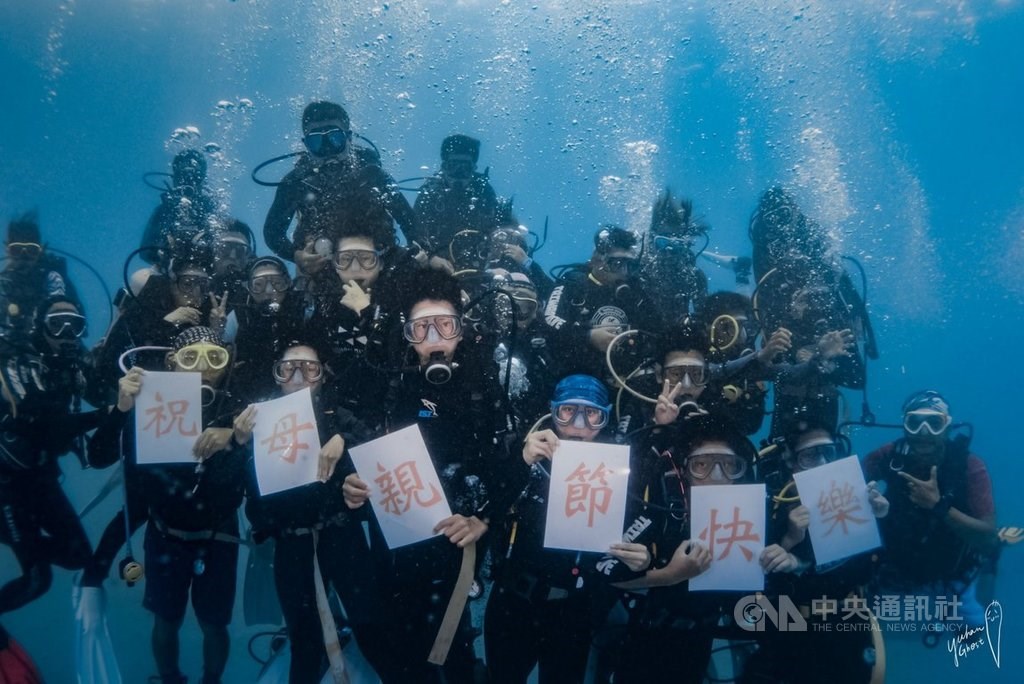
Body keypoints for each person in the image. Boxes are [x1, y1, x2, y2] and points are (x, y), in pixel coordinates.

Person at [342, 269, 518, 683]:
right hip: (397, 541)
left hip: (460, 541)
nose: (435, 336)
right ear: (407, 336)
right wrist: (349, 487)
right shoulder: (388, 384)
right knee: (400, 650)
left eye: (446, 325)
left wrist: (485, 518)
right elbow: (353, 443)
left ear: (461, 332)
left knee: (455, 648)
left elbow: (510, 466)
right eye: (421, 328)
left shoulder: (487, 385)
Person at [86, 327, 246, 684]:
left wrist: (236, 439)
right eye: (190, 358)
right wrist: (120, 408)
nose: (203, 368)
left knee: (213, 623)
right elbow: (98, 457)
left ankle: (211, 682)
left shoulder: (237, 410)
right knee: (166, 620)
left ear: (227, 364)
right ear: (171, 363)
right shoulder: (145, 407)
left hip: (219, 534)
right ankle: (171, 679)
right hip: (165, 533)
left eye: (214, 358)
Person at [484, 374, 653, 683]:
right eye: (567, 411)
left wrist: (639, 563)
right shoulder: (525, 458)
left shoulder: (618, 476)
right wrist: (520, 461)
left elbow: (625, 548)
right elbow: (487, 508)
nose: (578, 425)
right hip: (513, 604)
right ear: (553, 412)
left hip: (574, 611)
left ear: (604, 420)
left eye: (591, 414)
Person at [608, 416, 801, 684]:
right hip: (650, 637)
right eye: (702, 465)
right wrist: (668, 576)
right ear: (684, 471)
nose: (718, 477)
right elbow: (609, 577)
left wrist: (788, 548)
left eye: (729, 465)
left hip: (702, 637)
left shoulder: (752, 516)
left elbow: (766, 600)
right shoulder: (663, 513)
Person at [236, 342, 380, 684]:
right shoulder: (256, 420)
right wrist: (238, 444)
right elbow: (236, 491)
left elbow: (375, 441)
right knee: (304, 640)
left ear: (322, 377)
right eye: (289, 369)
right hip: (292, 544)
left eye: (309, 368)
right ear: (278, 376)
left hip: (342, 536)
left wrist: (344, 438)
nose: (299, 376)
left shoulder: (338, 415)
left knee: (371, 628)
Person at [740, 420, 888, 684]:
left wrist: (882, 518)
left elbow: (872, 568)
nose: (821, 462)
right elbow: (754, 588)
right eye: (809, 456)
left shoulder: (856, 499)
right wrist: (789, 539)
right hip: (790, 628)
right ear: (791, 462)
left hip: (846, 622)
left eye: (828, 453)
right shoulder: (771, 507)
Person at [0, 298, 98, 618]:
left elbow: (103, 390)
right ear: (40, 326)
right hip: (7, 486)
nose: (67, 332)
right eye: (57, 323)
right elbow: (46, 425)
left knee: (79, 555)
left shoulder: (74, 367)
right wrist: (112, 412)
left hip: (41, 479)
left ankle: (21, 539)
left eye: (75, 324)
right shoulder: (18, 364)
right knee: (38, 579)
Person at [863, 390, 997, 626]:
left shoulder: (969, 467)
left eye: (934, 423)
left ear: (947, 427)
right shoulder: (888, 456)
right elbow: (843, 487)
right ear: (905, 426)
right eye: (915, 423)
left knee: (974, 629)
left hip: (949, 567)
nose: (924, 433)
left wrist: (938, 506)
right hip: (894, 561)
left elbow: (987, 538)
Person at [262, 101, 420, 276]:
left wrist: (422, 252)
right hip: (324, 273)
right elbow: (272, 233)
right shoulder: (296, 183)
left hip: (379, 268)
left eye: (334, 138)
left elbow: (410, 222)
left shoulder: (374, 176)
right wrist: (297, 255)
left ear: (348, 137)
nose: (327, 148)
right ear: (306, 144)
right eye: (317, 141)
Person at [542, 225, 654, 381]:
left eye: (630, 265)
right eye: (616, 264)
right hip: (572, 377)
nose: (624, 272)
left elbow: (656, 331)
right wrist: (588, 336)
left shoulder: (636, 292)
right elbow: (548, 319)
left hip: (623, 382)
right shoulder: (573, 284)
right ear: (596, 259)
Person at [414, 134, 500, 269]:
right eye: (453, 166)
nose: (459, 173)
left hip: (478, 265)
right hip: (436, 265)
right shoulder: (430, 193)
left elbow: (503, 228)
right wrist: (430, 257)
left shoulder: (484, 192)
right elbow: (414, 232)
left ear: (474, 168)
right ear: (444, 167)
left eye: (465, 168)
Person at [0, 212, 77, 345]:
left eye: (31, 251)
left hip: (51, 345)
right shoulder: (3, 284)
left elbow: (59, 301)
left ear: (41, 250)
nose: (24, 257)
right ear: (7, 250)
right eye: (17, 250)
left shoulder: (52, 278)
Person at [139, 149, 219, 265]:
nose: (188, 184)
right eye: (183, 177)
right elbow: (145, 251)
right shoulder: (164, 210)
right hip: (169, 272)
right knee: (138, 279)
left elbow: (227, 245)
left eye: (195, 178)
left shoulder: (211, 209)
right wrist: (164, 254)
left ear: (202, 180)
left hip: (205, 273)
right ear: (174, 179)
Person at [641, 189, 709, 324]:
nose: (669, 252)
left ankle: (741, 275)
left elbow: (704, 321)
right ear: (650, 240)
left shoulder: (694, 277)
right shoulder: (638, 272)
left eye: (677, 245)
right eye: (662, 242)